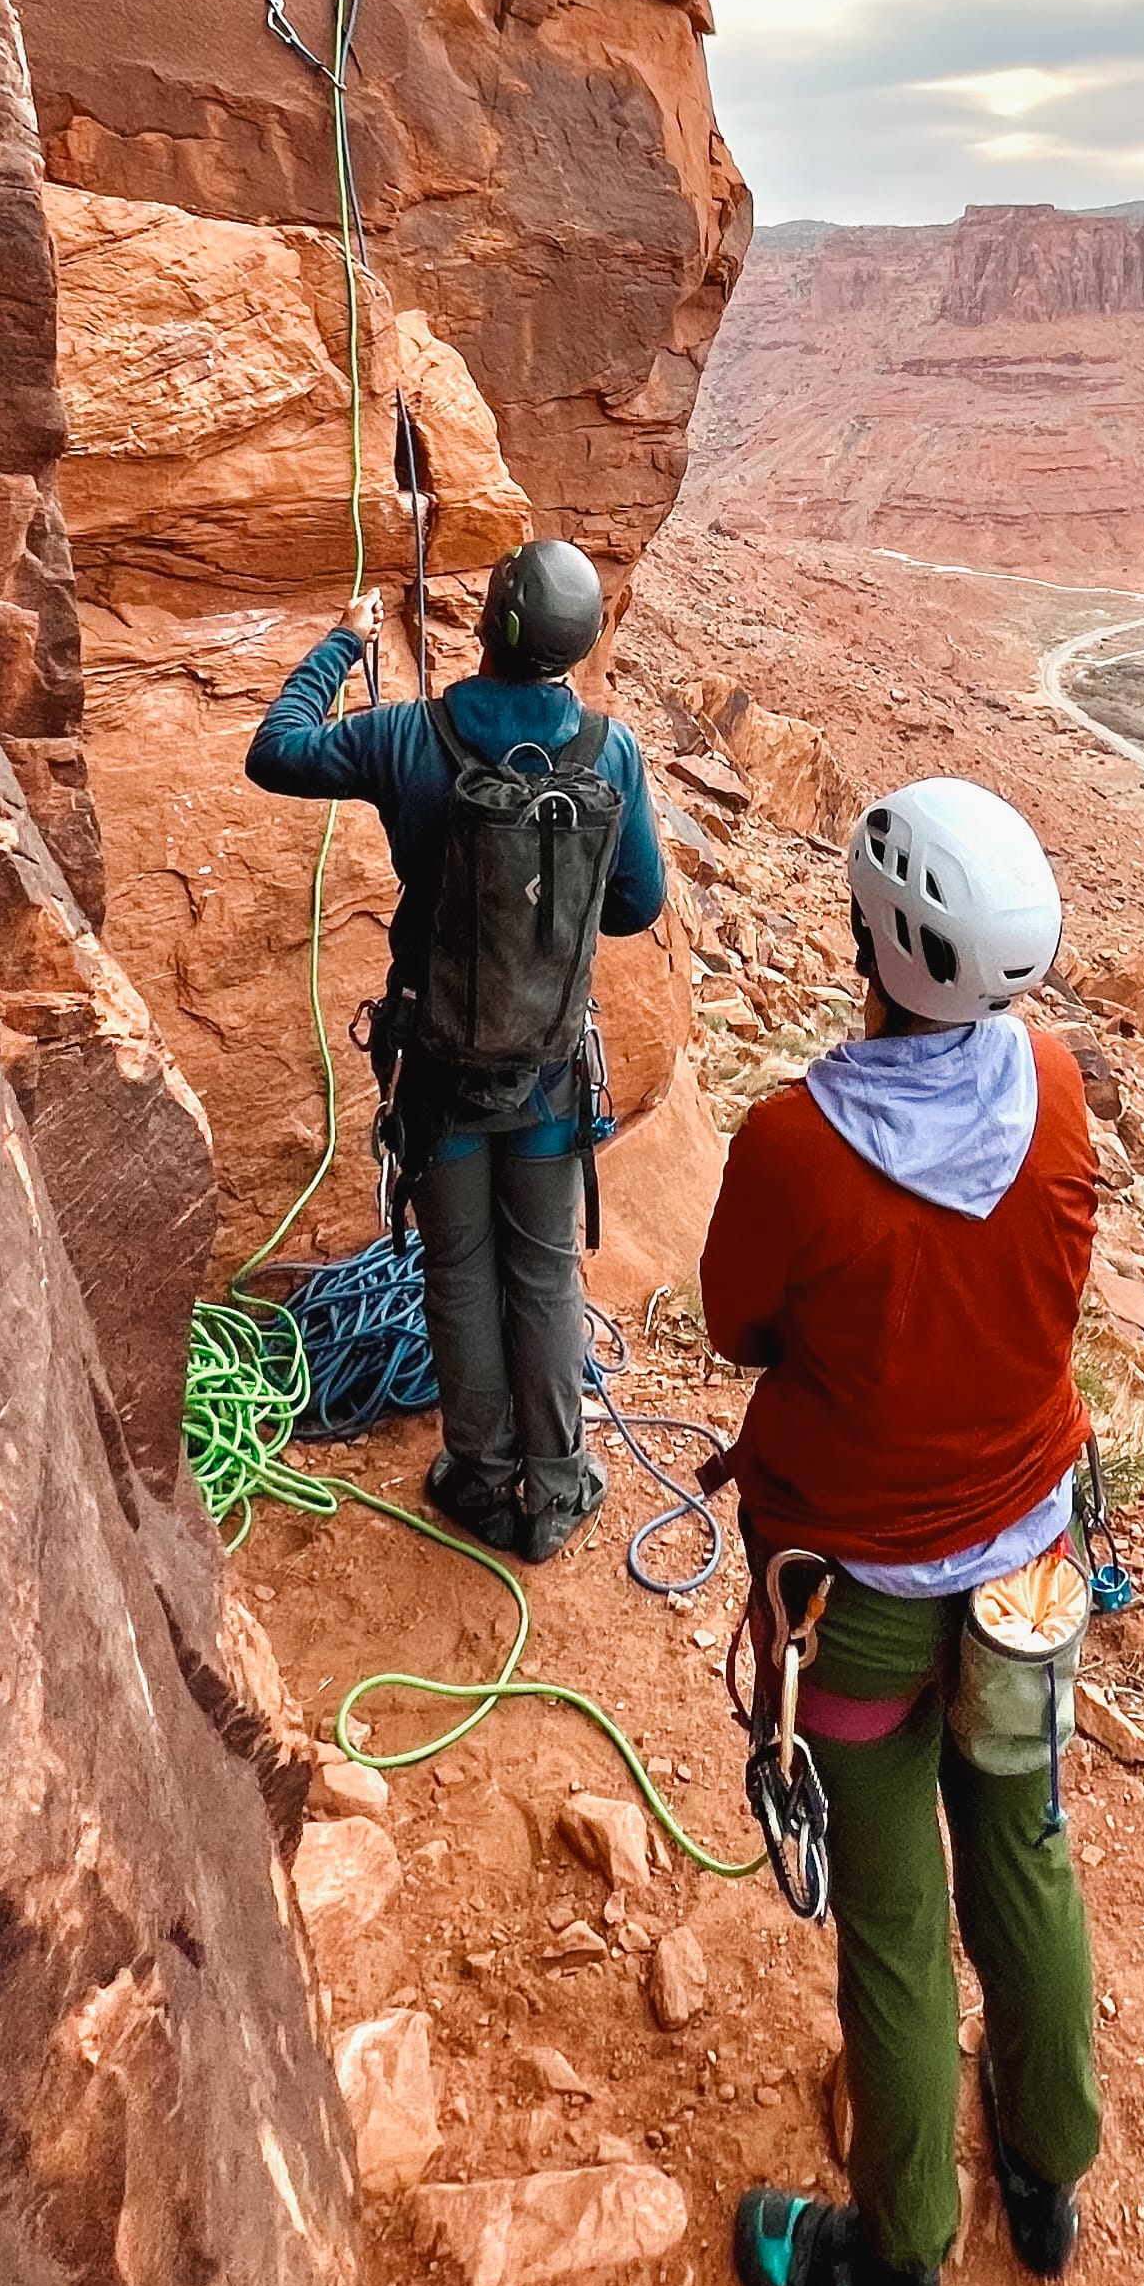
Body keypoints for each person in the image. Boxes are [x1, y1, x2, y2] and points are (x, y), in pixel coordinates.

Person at [699, 778, 1103, 2286]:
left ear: (874, 939)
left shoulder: (799, 1144)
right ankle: (1047, 2169)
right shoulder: (1060, 1091)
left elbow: (738, 1323)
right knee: (1027, 1851)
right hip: (1025, 1572)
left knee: (893, 1919)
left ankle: (897, 2276)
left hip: (851, 1598)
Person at [243, 537, 666, 1563]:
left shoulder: (404, 739)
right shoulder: (608, 754)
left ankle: (478, 1478)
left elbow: (276, 749)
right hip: (551, 1079)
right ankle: (557, 1488)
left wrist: (344, 644)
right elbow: (637, 904)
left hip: (439, 1074)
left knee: (461, 1273)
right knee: (547, 1273)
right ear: (576, 645)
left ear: (487, 624)